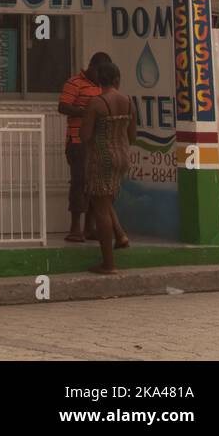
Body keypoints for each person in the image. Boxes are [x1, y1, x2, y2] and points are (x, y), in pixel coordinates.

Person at [81, 61, 137, 275]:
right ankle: (119, 238)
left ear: (99, 81)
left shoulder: (97, 103)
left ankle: (108, 264)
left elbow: (85, 136)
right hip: (122, 156)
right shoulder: (129, 102)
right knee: (107, 203)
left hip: (102, 158)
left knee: (101, 210)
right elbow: (132, 136)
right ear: (117, 80)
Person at [57, 52, 107, 242]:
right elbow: (63, 106)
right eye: (100, 72)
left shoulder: (102, 86)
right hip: (77, 141)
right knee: (79, 183)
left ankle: (89, 227)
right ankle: (75, 228)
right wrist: (87, 112)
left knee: (94, 185)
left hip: (97, 143)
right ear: (92, 67)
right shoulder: (75, 83)